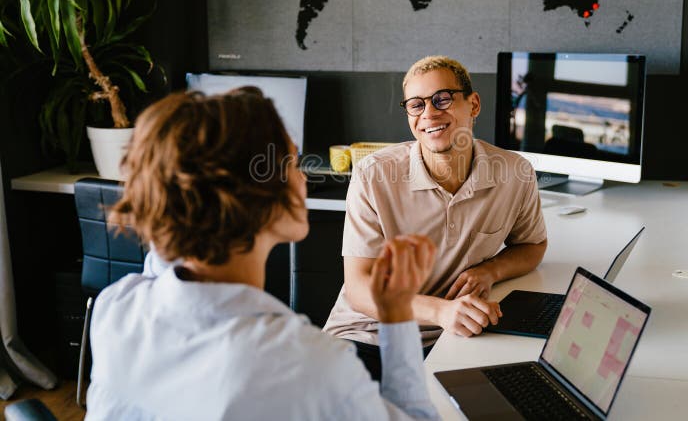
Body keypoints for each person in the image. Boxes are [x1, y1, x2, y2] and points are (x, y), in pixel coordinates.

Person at [86, 87, 440, 421]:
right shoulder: (307, 364)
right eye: (291, 163)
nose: (303, 179)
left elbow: (165, 258)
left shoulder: (117, 308)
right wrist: (396, 315)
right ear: (256, 195)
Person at [324, 56, 548, 380]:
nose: (429, 113)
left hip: (453, 339)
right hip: (369, 337)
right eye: (416, 105)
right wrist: (441, 311)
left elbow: (533, 244)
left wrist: (490, 271)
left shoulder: (515, 172)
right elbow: (359, 290)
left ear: (473, 104)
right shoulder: (373, 174)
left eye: (442, 99)